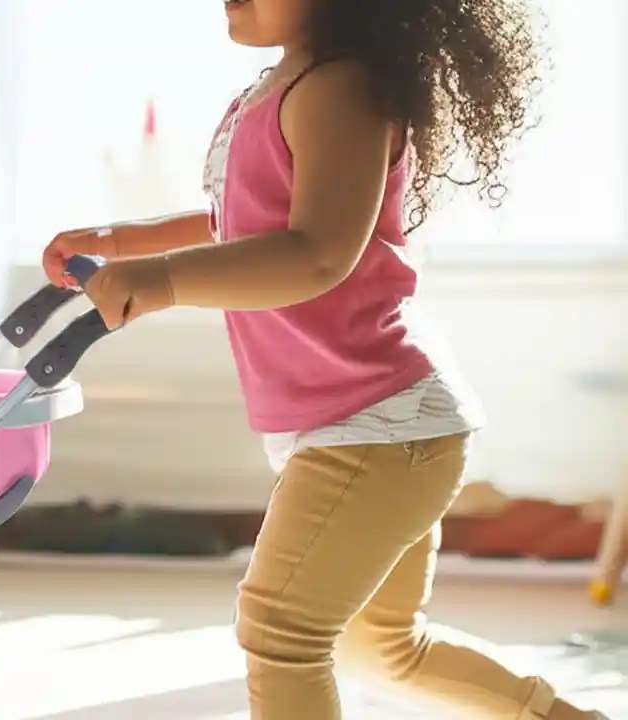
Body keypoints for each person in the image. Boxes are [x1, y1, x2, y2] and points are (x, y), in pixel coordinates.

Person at [42, 1, 610, 718]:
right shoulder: (279, 88)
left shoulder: (342, 88)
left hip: (378, 426)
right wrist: (121, 239)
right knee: (385, 647)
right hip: (377, 428)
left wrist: (162, 281)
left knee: (280, 630)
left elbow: (315, 253)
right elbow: (241, 219)